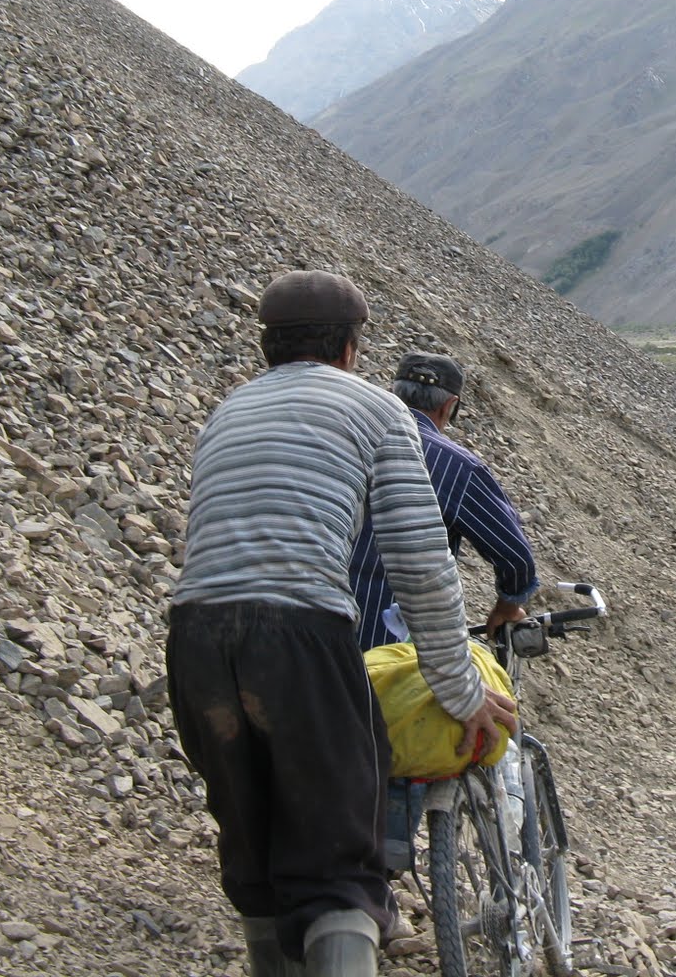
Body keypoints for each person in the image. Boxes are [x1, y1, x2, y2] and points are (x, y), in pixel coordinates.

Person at [166, 270, 517, 977]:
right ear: (351, 348)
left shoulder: (229, 411)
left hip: (196, 639)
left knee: (254, 848)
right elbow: (421, 563)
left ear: (267, 345)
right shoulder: (376, 410)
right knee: (338, 867)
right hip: (299, 638)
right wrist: (458, 689)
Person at [348, 351, 539, 872]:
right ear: (450, 406)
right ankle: (388, 846)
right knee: (411, 719)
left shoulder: (344, 440)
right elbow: (515, 559)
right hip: (386, 638)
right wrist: (509, 604)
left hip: (311, 622)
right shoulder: (455, 465)